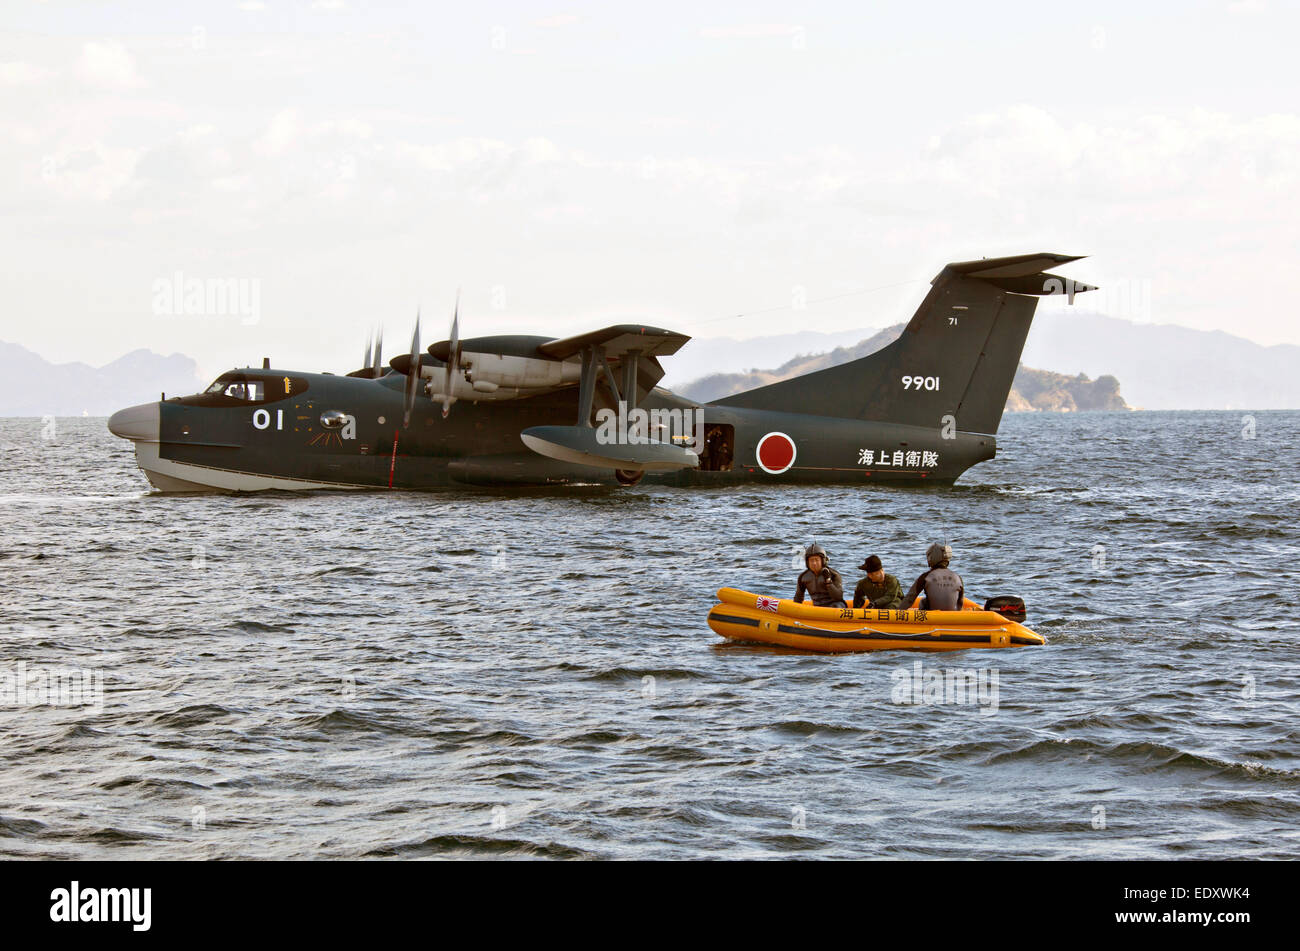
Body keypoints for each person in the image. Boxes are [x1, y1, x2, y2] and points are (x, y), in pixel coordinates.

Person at [901, 543, 965, 611]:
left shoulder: (925, 577)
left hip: (932, 618)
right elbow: (960, 602)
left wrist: (896, 612)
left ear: (931, 557)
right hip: (954, 617)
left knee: (922, 602)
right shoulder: (958, 577)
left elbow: (909, 599)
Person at [793, 543, 845, 608]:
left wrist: (828, 581)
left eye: (817, 560)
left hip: (836, 606)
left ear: (823, 561)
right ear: (807, 562)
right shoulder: (803, 577)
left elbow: (839, 597)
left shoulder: (833, 574)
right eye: (811, 560)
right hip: (818, 609)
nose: (814, 563)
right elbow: (798, 598)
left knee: (837, 606)